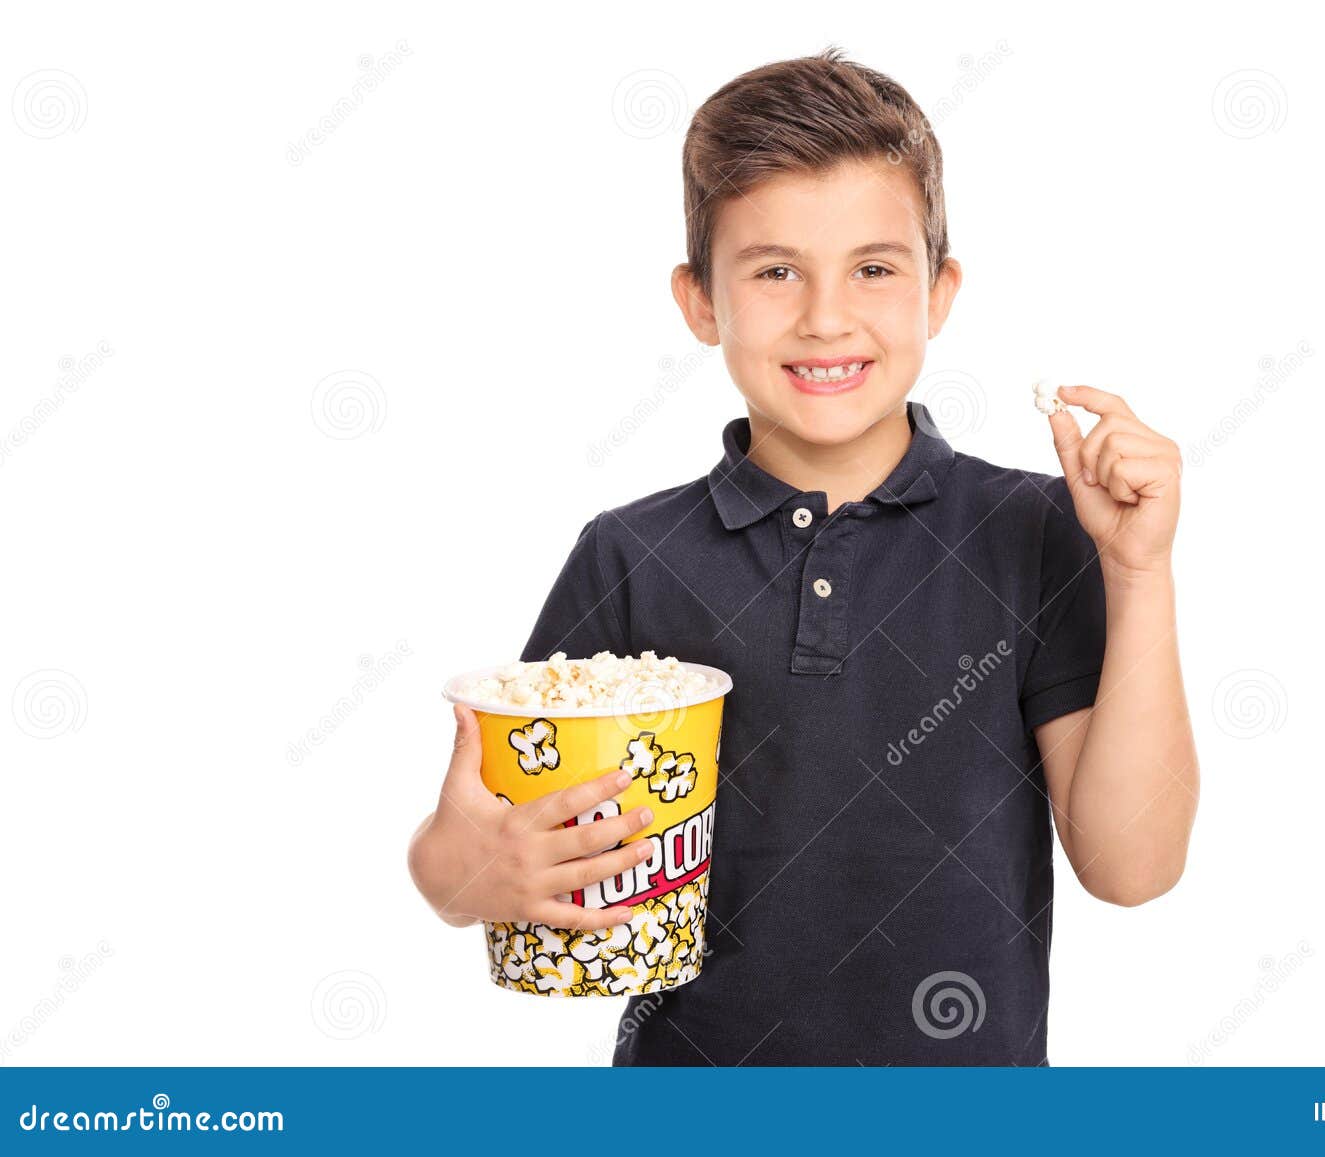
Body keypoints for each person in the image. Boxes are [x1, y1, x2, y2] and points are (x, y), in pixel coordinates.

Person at [408, 46, 1198, 1065]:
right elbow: (464, 852)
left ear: (937, 291)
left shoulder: (1037, 530)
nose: (826, 316)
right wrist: (465, 876)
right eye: (775, 270)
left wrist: (1138, 573)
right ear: (700, 301)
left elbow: (1133, 865)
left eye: (873, 268)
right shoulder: (630, 555)